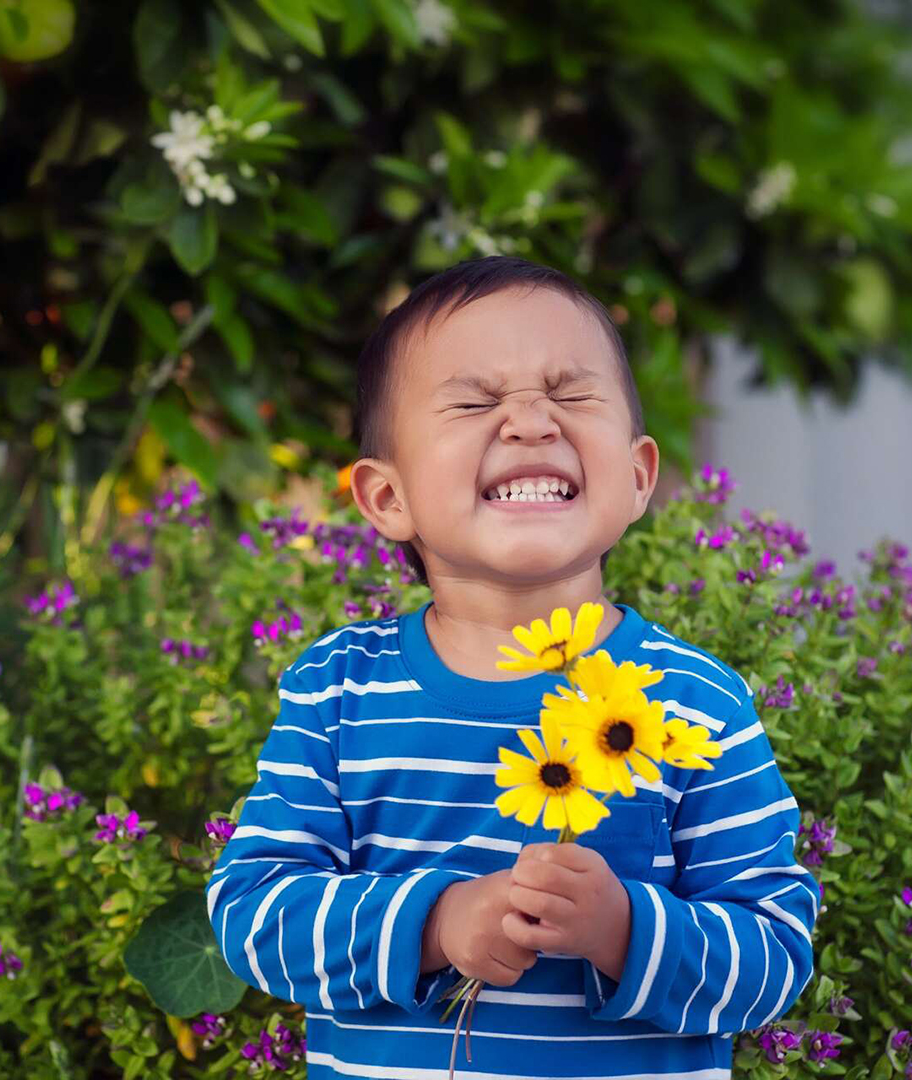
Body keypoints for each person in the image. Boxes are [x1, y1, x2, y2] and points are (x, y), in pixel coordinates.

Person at [206, 255, 818, 1079]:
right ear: (388, 499)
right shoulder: (339, 692)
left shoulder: (693, 700)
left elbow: (775, 952)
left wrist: (622, 931)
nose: (531, 422)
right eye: (473, 400)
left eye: (570, 394)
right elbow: (253, 914)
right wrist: (433, 923)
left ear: (639, 476)